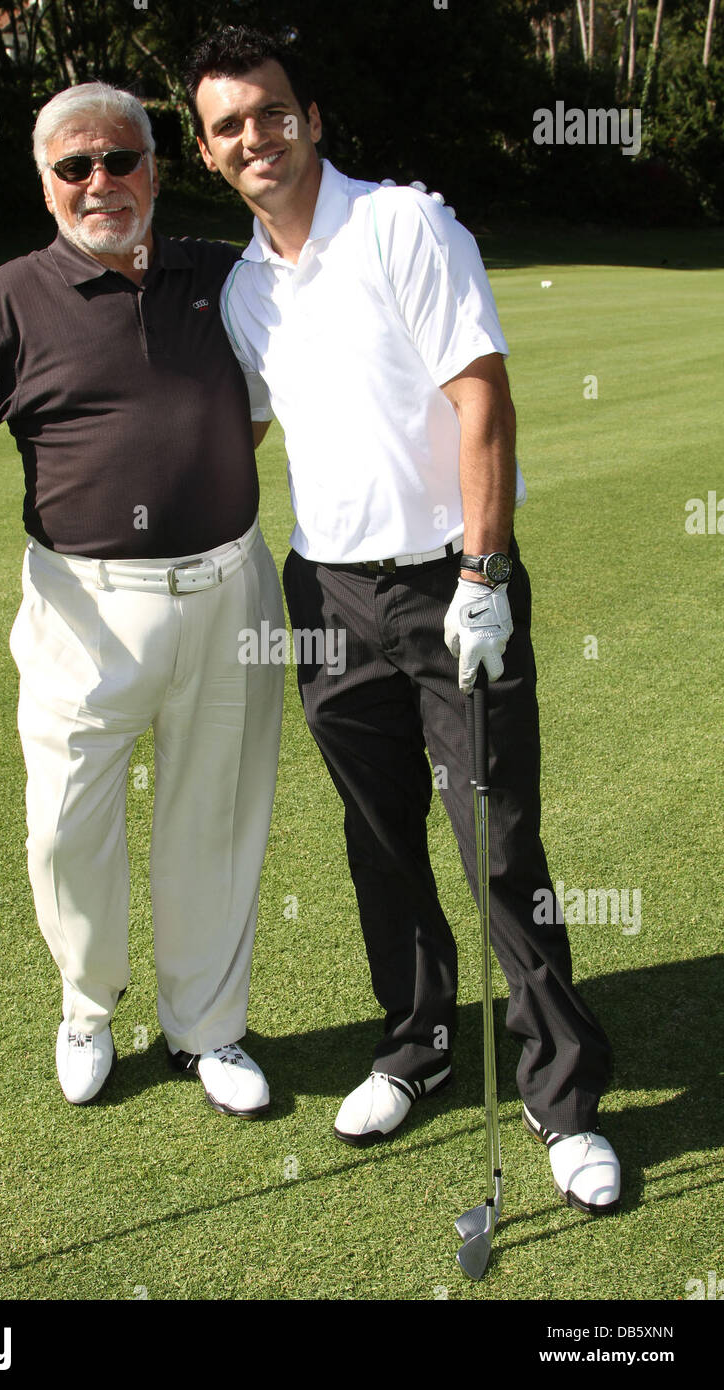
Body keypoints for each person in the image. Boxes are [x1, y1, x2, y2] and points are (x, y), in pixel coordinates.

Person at [183, 27, 621, 1213]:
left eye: (271, 112)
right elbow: (261, 431)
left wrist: (485, 570)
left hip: (448, 584)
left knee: (499, 841)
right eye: (229, 126)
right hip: (325, 589)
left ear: (310, 116)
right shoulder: (242, 288)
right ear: (211, 151)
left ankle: (563, 1094)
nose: (255, 138)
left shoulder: (402, 225)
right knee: (377, 836)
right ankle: (419, 1040)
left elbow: (480, 394)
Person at [0, 82, 285, 1118]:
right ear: (47, 181)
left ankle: (207, 1027)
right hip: (82, 609)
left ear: (156, 164)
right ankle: (87, 1005)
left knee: (216, 820)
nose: (102, 183)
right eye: (75, 167)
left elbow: (273, 398)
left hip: (231, 591)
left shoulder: (219, 273)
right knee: (62, 829)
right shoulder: (11, 298)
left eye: (121, 159)